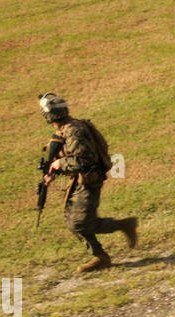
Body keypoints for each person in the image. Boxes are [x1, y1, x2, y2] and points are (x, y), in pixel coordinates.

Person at [37, 92, 137, 273]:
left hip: (90, 180)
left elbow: (86, 159)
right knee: (72, 221)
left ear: (49, 115)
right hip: (79, 179)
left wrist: (60, 164)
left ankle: (122, 228)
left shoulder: (73, 131)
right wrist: (54, 170)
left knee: (79, 223)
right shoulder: (64, 130)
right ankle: (100, 255)